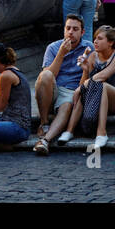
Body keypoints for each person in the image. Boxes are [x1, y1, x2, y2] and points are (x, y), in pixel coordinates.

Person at [60, 26, 115, 150]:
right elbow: (85, 83)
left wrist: (79, 89)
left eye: (99, 39)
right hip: (99, 98)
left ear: (110, 42)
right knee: (87, 89)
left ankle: (102, 132)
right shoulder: (93, 56)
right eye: (94, 39)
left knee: (101, 85)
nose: (95, 42)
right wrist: (85, 70)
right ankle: (69, 131)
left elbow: (103, 76)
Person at [33, 15, 94, 154]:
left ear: (82, 32)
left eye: (75, 29)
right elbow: (47, 77)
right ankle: (44, 122)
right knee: (45, 75)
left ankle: (45, 141)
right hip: (54, 87)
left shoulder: (88, 47)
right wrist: (61, 53)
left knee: (66, 105)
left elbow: (90, 77)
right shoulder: (53, 47)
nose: (71, 32)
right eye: (68, 28)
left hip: (72, 91)